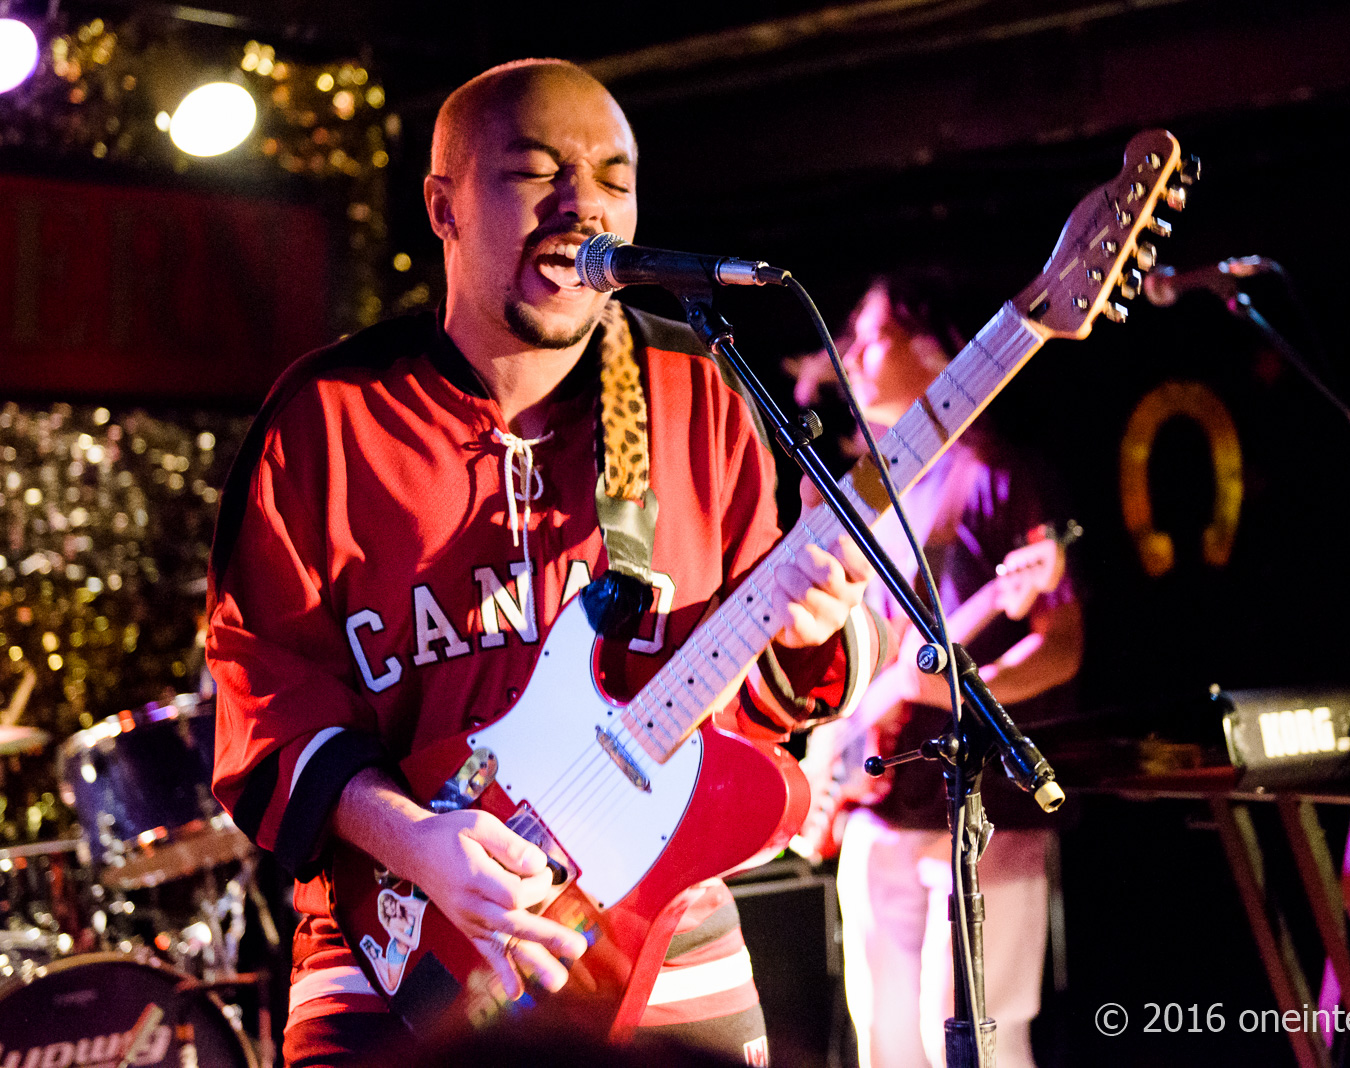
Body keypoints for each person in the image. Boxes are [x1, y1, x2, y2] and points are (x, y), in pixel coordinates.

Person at [205, 59, 879, 1068]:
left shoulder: (693, 392)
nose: (583, 206)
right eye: (534, 172)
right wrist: (410, 839)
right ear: (443, 206)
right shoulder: (328, 415)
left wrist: (811, 630)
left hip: (662, 931)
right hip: (394, 939)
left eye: (613, 176)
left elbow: (755, 699)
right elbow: (267, 691)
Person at [799, 272, 1083, 1068]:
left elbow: (1060, 648)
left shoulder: (999, 474)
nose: (849, 352)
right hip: (881, 810)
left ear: (933, 349)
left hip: (986, 819)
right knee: (886, 1047)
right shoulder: (878, 492)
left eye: (872, 333)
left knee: (975, 1048)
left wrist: (944, 690)